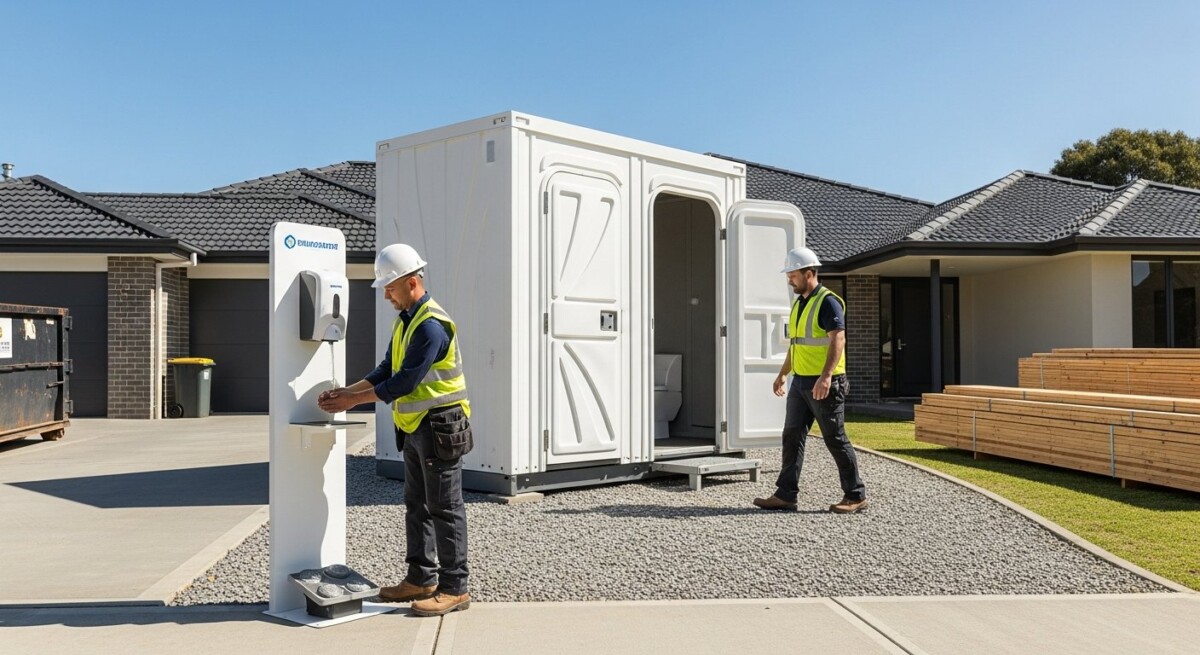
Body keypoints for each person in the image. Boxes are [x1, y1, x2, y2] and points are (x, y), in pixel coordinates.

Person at [317, 243, 472, 616]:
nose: (385, 293)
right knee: (416, 506)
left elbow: (404, 382)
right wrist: (347, 390)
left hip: (440, 428)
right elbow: (386, 369)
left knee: (445, 508)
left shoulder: (431, 327)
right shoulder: (406, 320)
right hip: (419, 428)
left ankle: (455, 588)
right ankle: (421, 579)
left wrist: (352, 402)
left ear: (412, 282)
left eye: (389, 286)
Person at [753, 247, 868, 514]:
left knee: (835, 438)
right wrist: (783, 373)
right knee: (791, 436)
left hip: (825, 383)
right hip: (800, 382)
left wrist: (826, 377)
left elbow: (837, 339)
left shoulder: (828, 302)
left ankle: (855, 495)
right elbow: (797, 344)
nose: (789, 280)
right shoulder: (800, 303)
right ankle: (785, 495)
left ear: (808, 273)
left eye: (792, 275)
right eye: (788, 276)